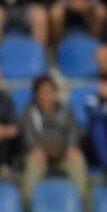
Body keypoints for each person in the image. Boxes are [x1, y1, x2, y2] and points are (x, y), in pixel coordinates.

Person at [21, 74, 89, 203]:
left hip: (62, 152)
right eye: (43, 92)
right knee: (33, 163)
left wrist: (71, 147)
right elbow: (28, 134)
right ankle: (27, 202)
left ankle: (82, 201)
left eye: (50, 92)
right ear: (36, 94)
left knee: (77, 160)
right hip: (39, 152)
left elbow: (73, 131)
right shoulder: (29, 112)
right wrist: (35, 148)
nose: (47, 96)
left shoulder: (66, 110)